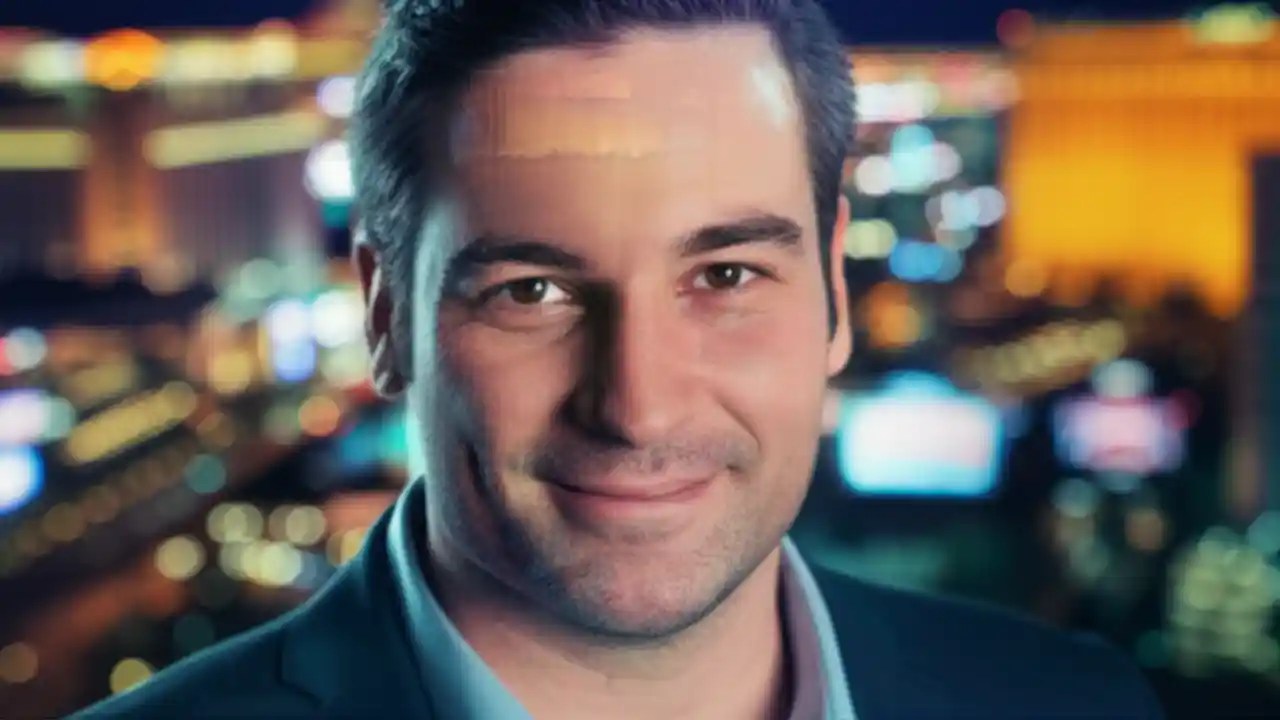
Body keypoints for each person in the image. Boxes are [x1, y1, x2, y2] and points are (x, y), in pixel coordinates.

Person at [74, 1, 1164, 718]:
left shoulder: (1071, 703)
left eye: (726, 276)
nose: (636, 408)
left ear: (832, 287)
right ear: (384, 312)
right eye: (530, 292)